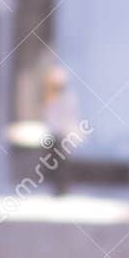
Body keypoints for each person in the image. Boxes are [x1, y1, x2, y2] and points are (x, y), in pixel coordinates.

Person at [40, 65, 80, 196]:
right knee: (53, 162)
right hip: (54, 133)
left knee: (62, 163)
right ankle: (57, 188)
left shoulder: (67, 97)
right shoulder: (51, 97)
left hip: (63, 134)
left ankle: (62, 188)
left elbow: (67, 116)